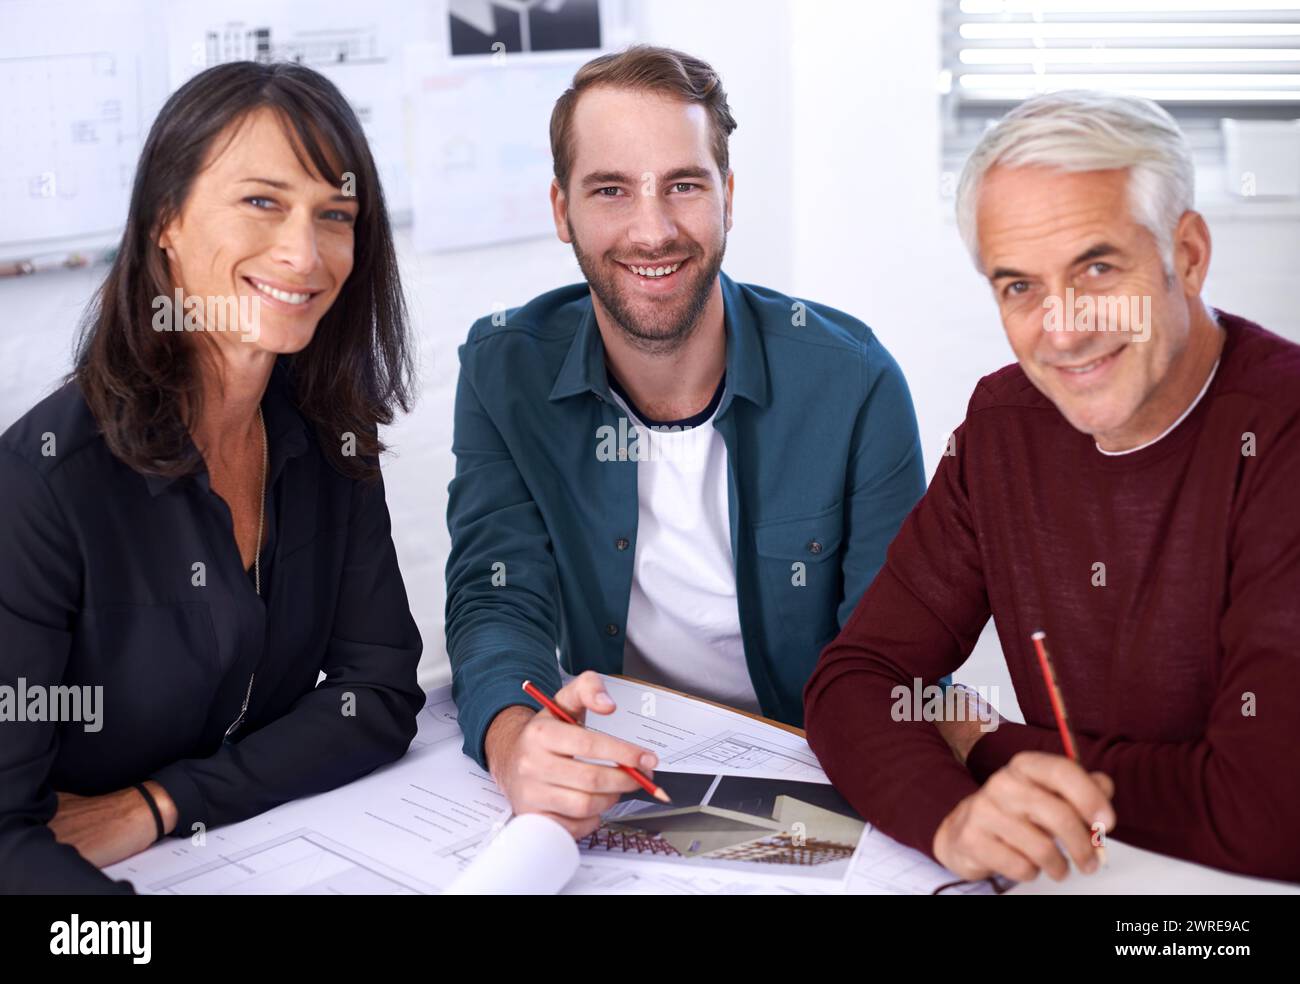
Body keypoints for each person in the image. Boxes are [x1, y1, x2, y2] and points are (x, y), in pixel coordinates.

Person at [805, 90, 1300, 884]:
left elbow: (1265, 812)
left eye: (1096, 268)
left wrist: (986, 746)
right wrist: (953, 819)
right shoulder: (1004, 425)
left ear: (1190, 254)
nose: (1062, 329)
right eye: (1019, 287)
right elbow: (856, 679)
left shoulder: (1281, 439)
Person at [445, 46, 925, 838]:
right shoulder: (504, 370)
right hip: (621, 768)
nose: (653, 229)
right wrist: (511, 739)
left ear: (727, 199)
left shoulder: (856, 382)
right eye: (610, 190)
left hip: (815, 773)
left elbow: (894, 655)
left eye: (684, 185)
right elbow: (498, 597)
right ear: (561, 210)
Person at [0, 61, 423, 893]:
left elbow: (374, 695)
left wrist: (159, 803)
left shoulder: (329, 440)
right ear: (166, 218)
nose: (304, 253)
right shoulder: (41, 488)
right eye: (262, 201)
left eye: (333, 215)